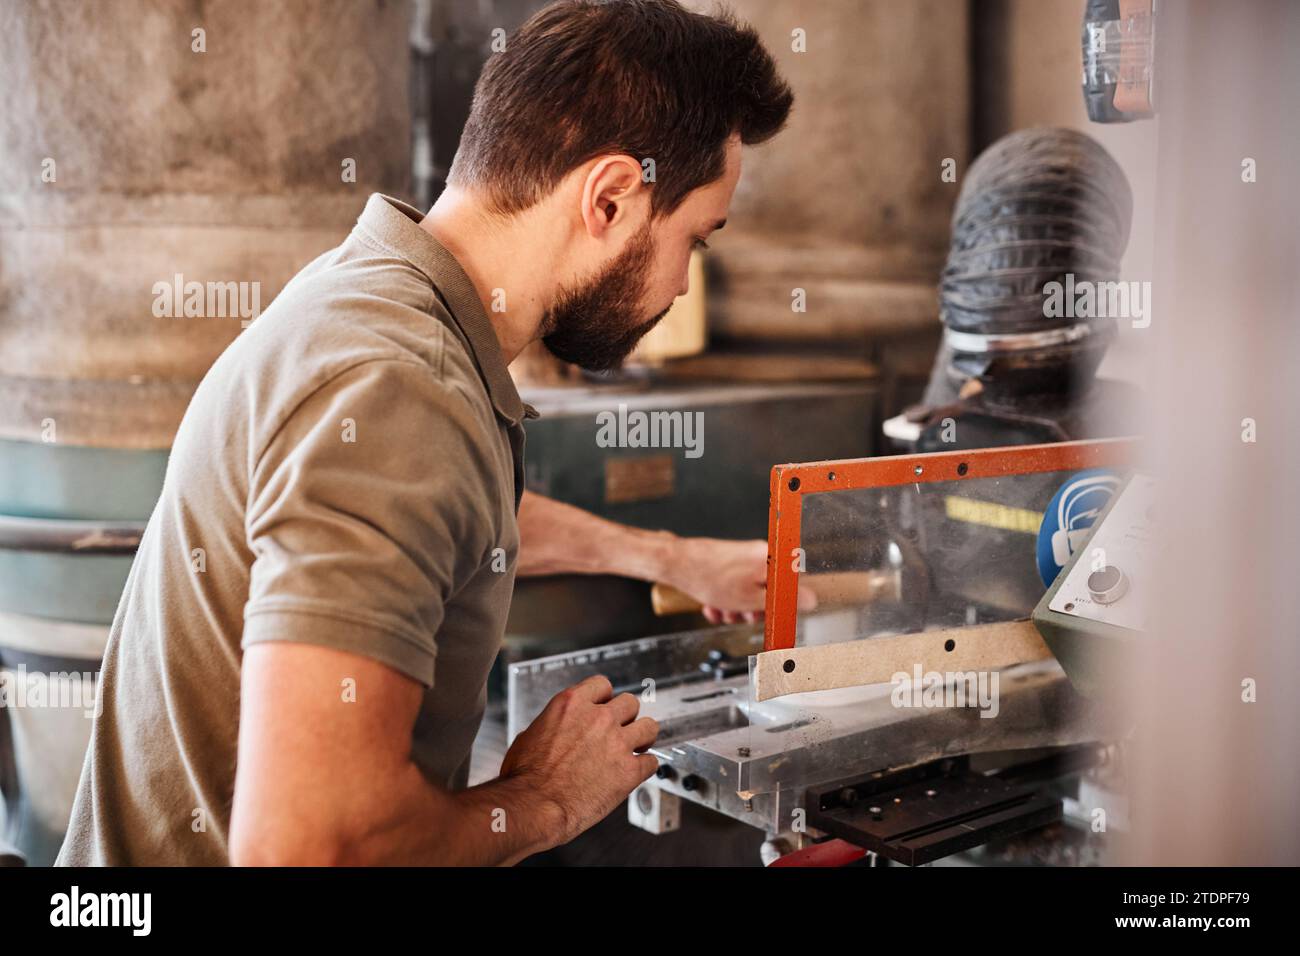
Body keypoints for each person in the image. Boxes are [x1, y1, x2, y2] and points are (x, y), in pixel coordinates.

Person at [57, 0, 793, 865]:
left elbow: (435, 520)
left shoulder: (370, 296)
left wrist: (670, 558)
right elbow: (310, 848)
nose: (678, 281)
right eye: (695, 241)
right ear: (611, 196)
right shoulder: (403, 385)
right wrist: (546, 799)